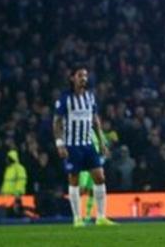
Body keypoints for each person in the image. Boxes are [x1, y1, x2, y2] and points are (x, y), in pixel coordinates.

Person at [53, 66, 117, 227]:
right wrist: (59, 144)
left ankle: (101, 217)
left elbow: (95, 120)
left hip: (88, 145)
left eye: (85, 76)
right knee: (74, 180)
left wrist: (101, 141)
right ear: (72, 78)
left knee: (100, 177)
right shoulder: (65, 98)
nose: (84, 78)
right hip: (72, 145)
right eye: (80, 75)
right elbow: (57, 122)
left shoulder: (90, 96)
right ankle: (77, 218)